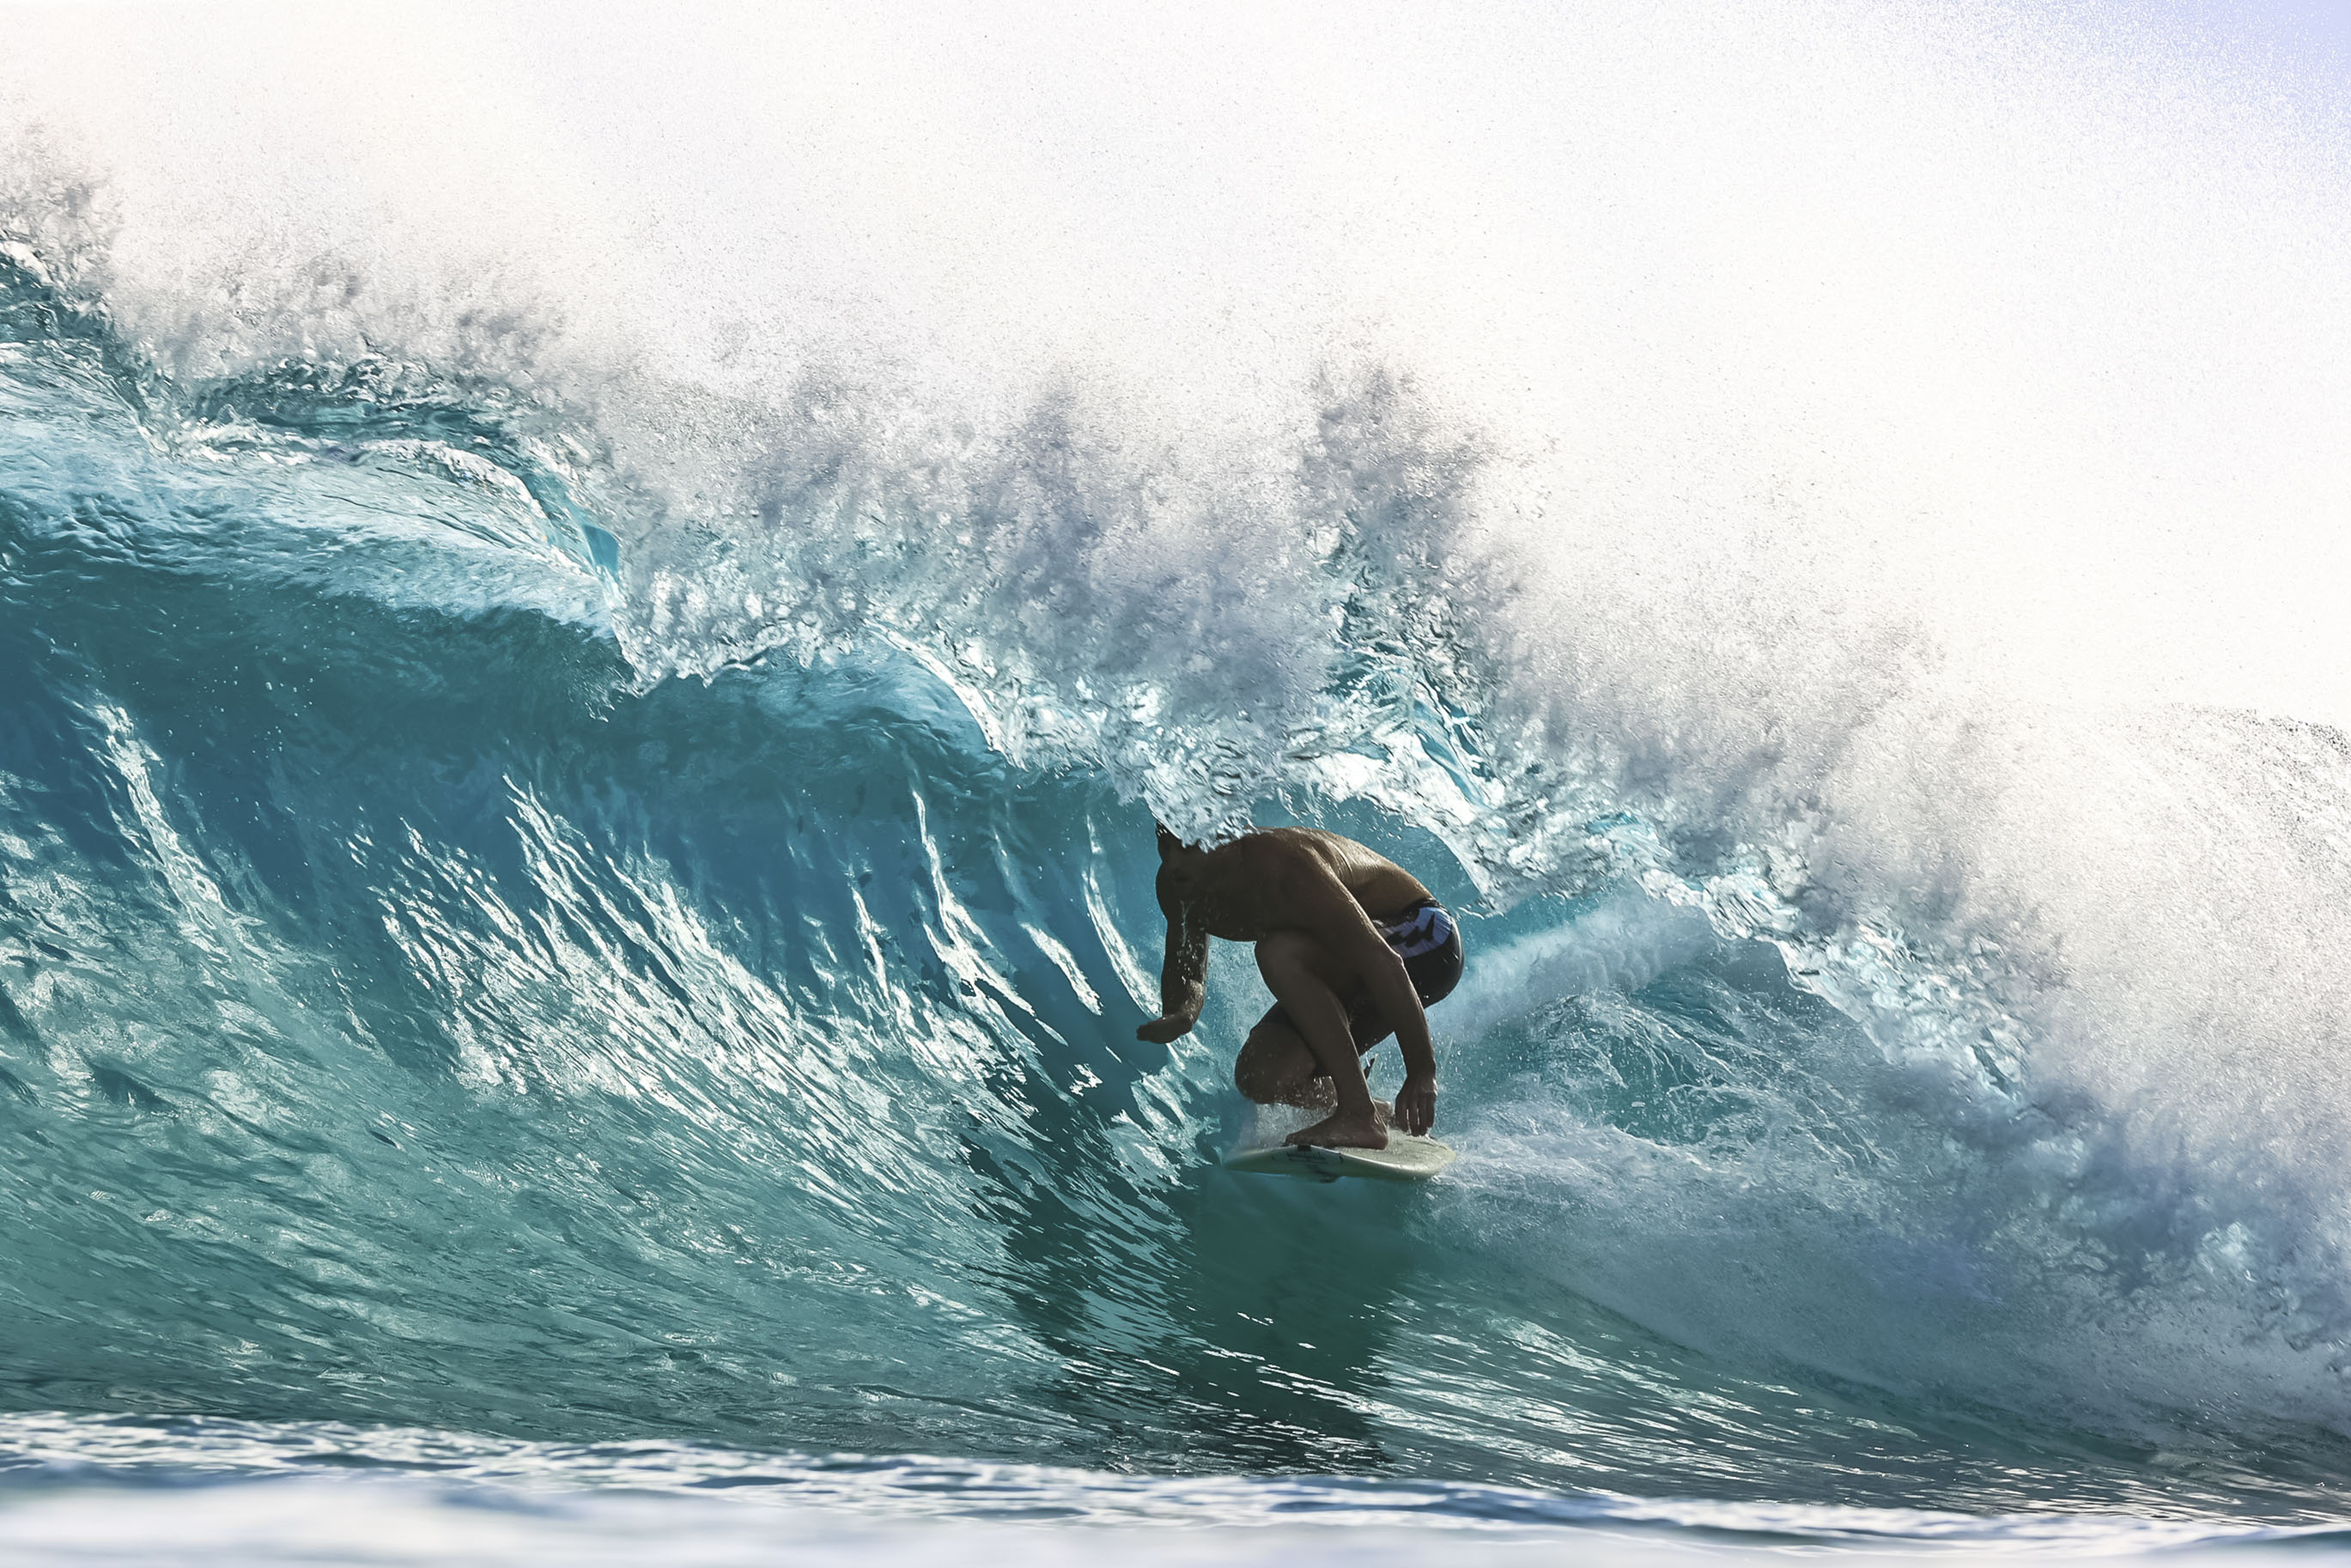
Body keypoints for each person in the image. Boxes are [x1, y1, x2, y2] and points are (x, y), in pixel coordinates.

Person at [1136, 824, 1465, 1150]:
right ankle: (1376, 1112)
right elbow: (1188, 968)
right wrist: (1181, 1013)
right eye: (1165, 845)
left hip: (1425, 936)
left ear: (1224, 837)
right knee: (1260, 1076)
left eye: (1188, 846)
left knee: (1277, 952)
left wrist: (1421, 1070)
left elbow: (1383, 962)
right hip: (1355, 963)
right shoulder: (1177, 885)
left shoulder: (1282, 865)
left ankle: (1358, 1113)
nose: (1173, 862)